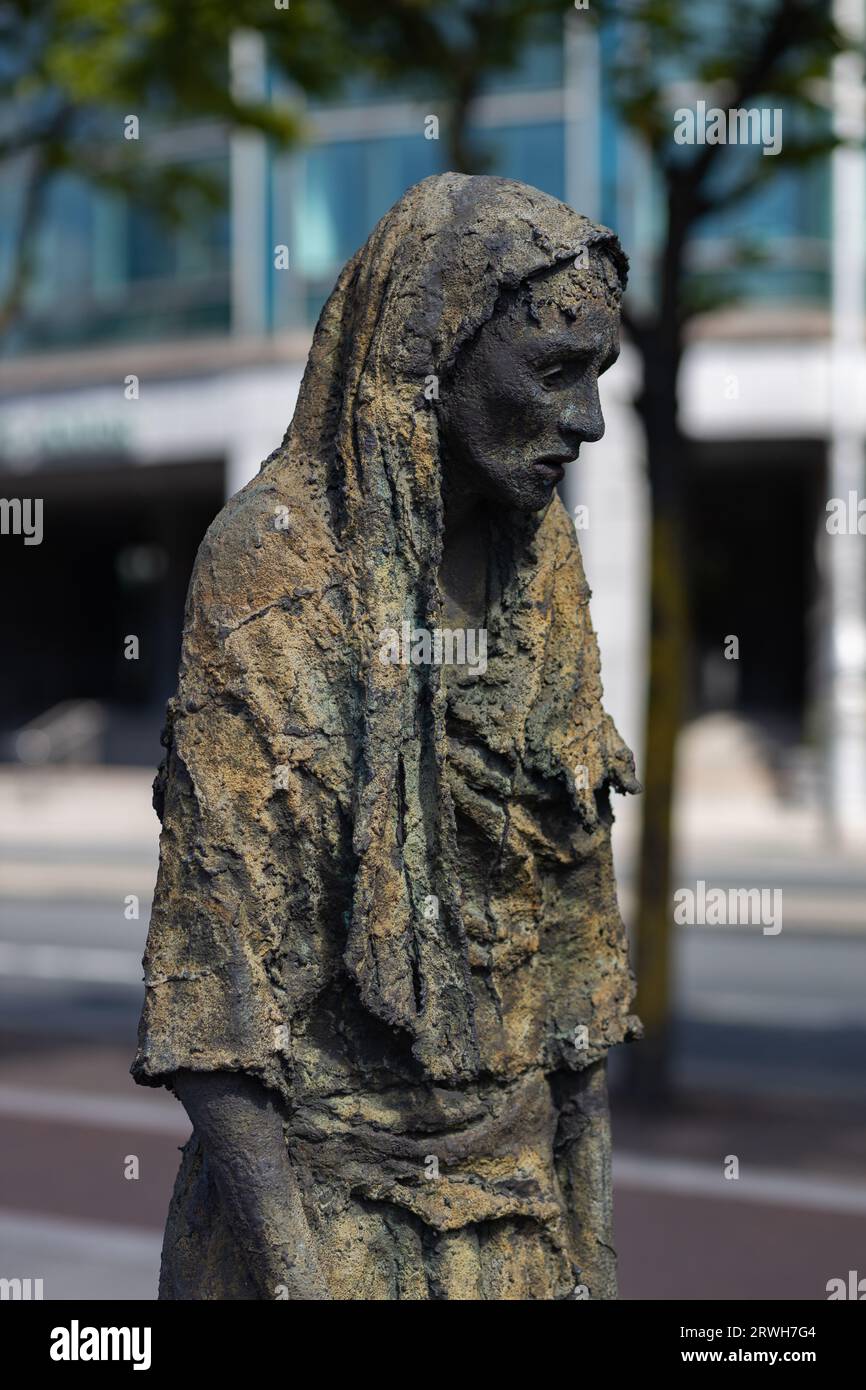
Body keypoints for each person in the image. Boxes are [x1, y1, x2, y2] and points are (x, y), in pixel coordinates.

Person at [132, 172, 640, 1301]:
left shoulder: (537, 569)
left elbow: (573, 978)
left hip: (515, 1227)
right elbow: (219, 1004)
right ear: (436, 345)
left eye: (596, 377)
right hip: (318, 1231)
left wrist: (592, 1254)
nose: (586, 422)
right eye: (552, 371)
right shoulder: (274, 567)